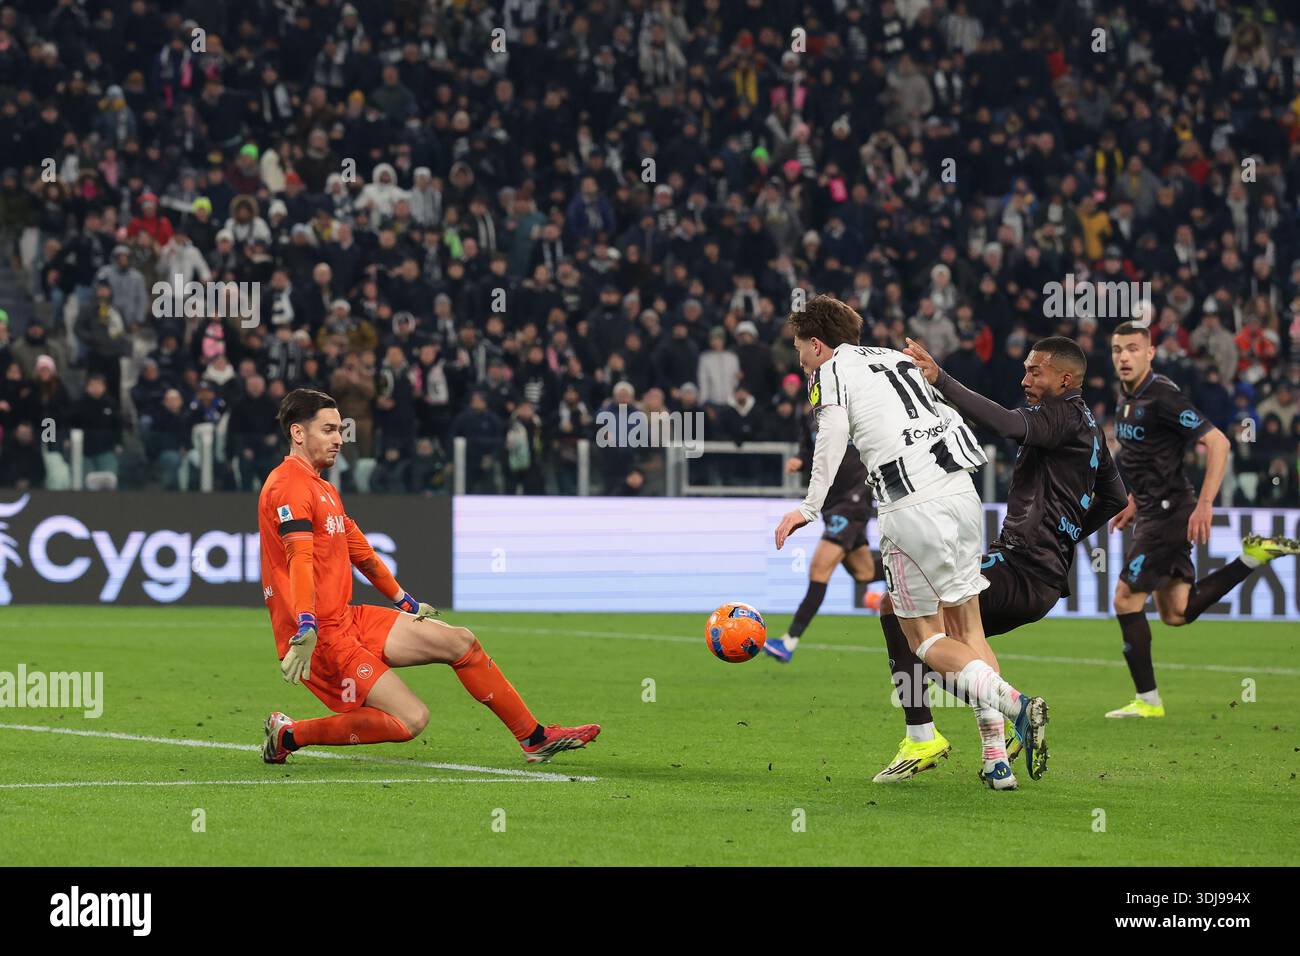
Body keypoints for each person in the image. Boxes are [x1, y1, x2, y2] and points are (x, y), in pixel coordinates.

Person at [773, 296, 1048, 789]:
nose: (799, 359)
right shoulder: (898, 358)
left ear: (818, 345)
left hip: (910, 505)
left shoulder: (829, 372)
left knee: (923, 639)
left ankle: (1017, 705)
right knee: (969, 628)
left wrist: (809, 507)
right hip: (962, 492)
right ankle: (994, 759)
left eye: (799, 348)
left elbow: (831, 434)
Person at [259, 388, 599, 765]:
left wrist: (403, 600)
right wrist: (306, 624)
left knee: (460, 643)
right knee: (411, 719)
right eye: (328, 429)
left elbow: (362, 553)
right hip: (318, 636)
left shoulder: (323, 488)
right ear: (298, 433)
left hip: (347, 618)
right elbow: (300, 558)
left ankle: (534, 738)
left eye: (340, 429)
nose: (339, 438)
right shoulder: (287, 485)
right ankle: (289, 734)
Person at [873, 335, 1128, 784]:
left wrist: (942, 380)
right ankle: (995, 761)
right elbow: (1116, 497)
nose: (1025, 377)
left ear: (1065, 379)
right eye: (1027, 369)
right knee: (960, 642)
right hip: (1042, 577)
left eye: (1036, 371)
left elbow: (1009, 425)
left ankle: (943, 731)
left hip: (1020, 564)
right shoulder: (1090, 428)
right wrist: (1067, 538)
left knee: (900, 613)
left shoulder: (1061, 415)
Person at [1105, 322, 1300, 718]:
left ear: (1150, 352)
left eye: (1132, 349)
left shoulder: (1163, 396)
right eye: (1116, 350)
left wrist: (1206, 502)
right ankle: (1251, 559)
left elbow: (1219, 441)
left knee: (1125, 598)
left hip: (1168, 514)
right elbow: (1145, 459)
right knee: (1176, 612)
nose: (1123, 357)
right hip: (1153, 509)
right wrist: (1131, 500)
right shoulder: (1126, 398)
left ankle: (1148, 701)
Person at [763, 408, 884, 663]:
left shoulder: (854, 407)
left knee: (819, 569)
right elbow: (810, 451)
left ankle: (788, 642)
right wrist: (800, 460)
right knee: (863, 572)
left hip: (854, 499)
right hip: (830, 503)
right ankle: (917, 567)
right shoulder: (808, 417)